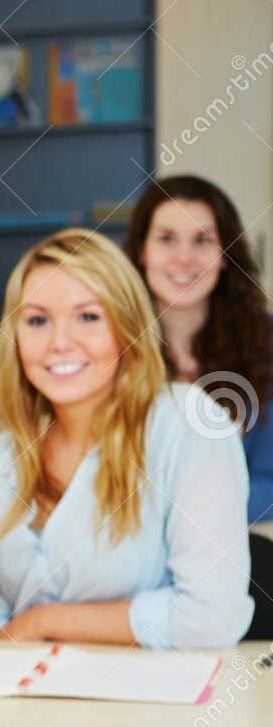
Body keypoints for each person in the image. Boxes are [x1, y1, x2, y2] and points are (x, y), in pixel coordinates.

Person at [0, 227, 252, 727]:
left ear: (127, 327)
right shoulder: (5, 459)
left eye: (88, 317)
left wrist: (44, 621)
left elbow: (210, 616)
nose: (60, 342)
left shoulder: (186, 423)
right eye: (37, 319)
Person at [122, 174, 273, 523]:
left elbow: (269, 480)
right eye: (167, 239)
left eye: (202, 239)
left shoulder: (265, 340)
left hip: (234, 544)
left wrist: (189, 520)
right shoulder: (106, 343)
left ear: (224, 255)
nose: (184, 258)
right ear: (142, 251)